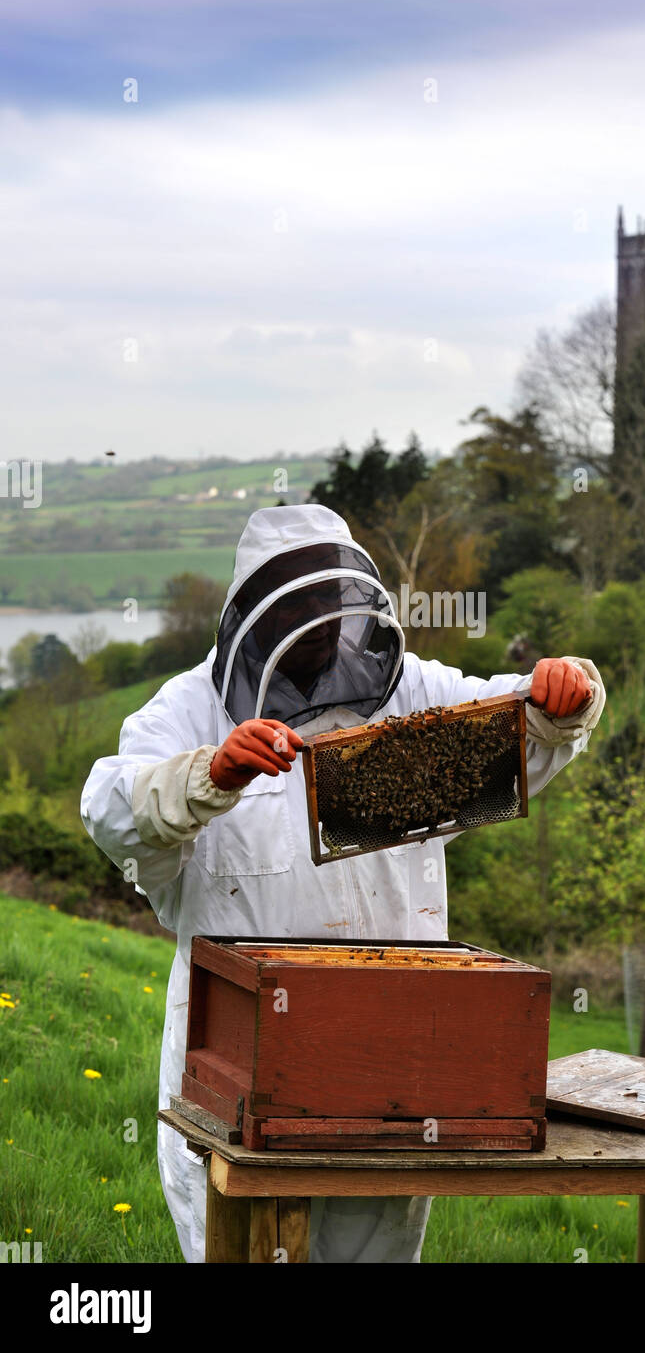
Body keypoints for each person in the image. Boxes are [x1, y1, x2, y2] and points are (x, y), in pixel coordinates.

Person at [80, 503, 606, 1263]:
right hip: (239, 1065)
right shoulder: (189, 708)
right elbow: (112, 810)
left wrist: (561, 700)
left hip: (389, 1053)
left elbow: (517, 724)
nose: (318, 625)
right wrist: (209, 772)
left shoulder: (409, 691)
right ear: (252, 615)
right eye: (296, 608)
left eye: (327, 606)